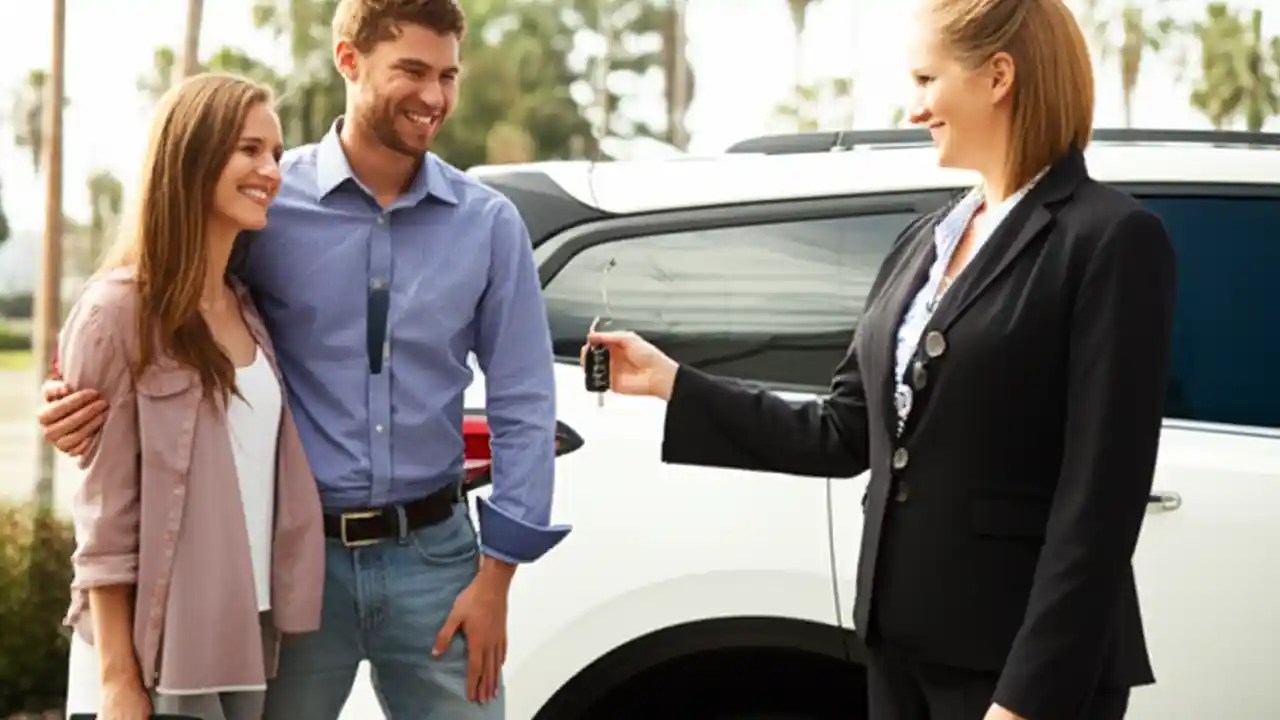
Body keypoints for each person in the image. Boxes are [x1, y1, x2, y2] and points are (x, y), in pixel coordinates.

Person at [583, 1, 1175, 719]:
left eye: (927, 79)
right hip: (899, 649)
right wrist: (674, 385)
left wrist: (1025, 701)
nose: (913, 106)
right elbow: (843, 431)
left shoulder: (1112, 239)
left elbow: (1100, 505)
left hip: (1020, 674)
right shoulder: (923, 243)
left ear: (998, 76)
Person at [39, 1, 569, 718]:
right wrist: (74, 403)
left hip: (438, 562)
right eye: (411, 70)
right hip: (296, 564)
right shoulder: (266, 201)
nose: (435, 96)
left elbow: (524, 404)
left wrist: (496, 580)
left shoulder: (488, 224)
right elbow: (165, 309)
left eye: (448, 75)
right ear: (349, 61)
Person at [58, 73, 325, 720]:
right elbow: (104, 520)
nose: (270, 170)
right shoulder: (117, 314)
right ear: (192, 158)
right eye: (249, 150)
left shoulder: (246, 309)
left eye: (276, 154)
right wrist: (120, 681)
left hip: (244, 636)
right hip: (156, 657)